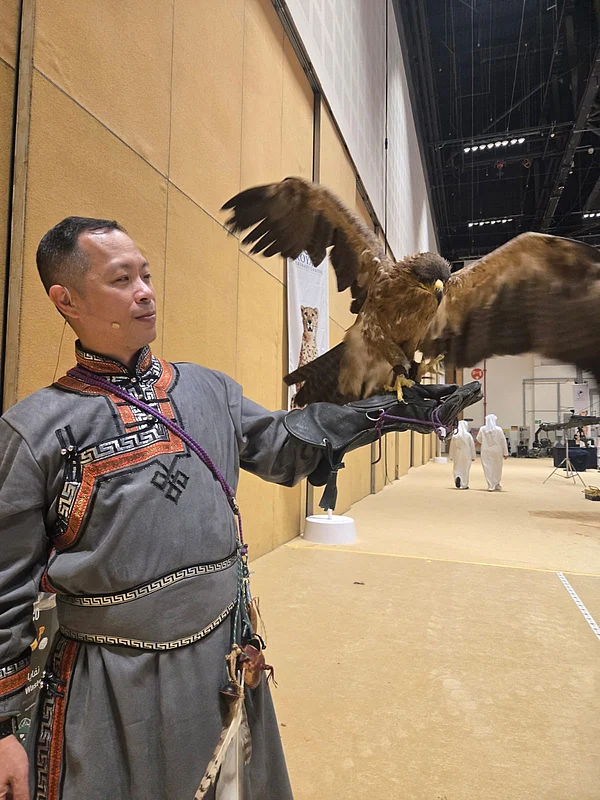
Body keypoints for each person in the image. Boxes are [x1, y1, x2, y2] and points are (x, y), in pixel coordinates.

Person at [0, 217, 481, 800]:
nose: (145, 291)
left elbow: (283, 448)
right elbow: (6, 584)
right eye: (122, 279)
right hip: (109, 686)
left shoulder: (210, 390)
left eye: (146, 275)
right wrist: (3, 729)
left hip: (223, 664)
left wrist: (380, 414)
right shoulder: (35, 429)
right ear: (66, 299)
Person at [476, 413, 509, 491]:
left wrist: (485, 442)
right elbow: (503, 441)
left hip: (486, 451)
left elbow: (479, 439)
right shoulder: (499, 429)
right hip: (497, 451)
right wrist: (505, 453)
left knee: (487, 467)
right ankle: (496, 483)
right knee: (497, 467)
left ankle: (490, 485)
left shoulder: (482, 429)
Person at [449, 420, 476, 489]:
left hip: (457, 453)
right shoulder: (468, 435)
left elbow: (452, 446)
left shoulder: (455, 435)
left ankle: (457, 476)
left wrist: (451, 456)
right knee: (465, 468)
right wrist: (473, 456)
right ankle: (464, 484)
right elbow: (472, 446)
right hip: (466, 454)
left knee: (457, 467)